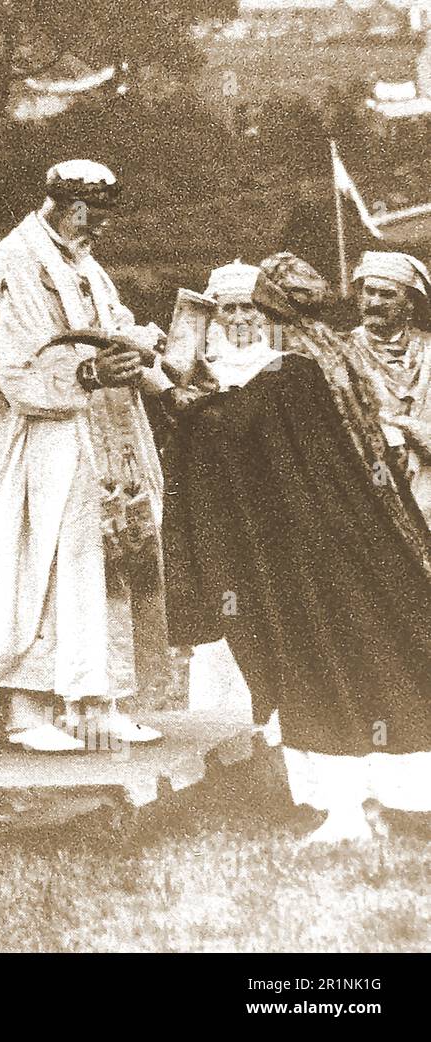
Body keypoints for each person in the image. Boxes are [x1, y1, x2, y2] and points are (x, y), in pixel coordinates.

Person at [163, 253, 431, 844]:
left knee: (325, 664)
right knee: (376, 659)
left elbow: (223, 435)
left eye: (258, 310)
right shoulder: (335, 361)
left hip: (316, 550)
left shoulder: (291, 374)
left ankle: (345, 809)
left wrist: (170, 394)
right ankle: (386, 797)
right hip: (359, 537)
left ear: (273, 312)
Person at [0, 159, 169, 753]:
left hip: (103, 437)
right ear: (73, 208)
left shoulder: (84, 264)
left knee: (107, 561)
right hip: (40, 440)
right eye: (98, 217)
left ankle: (98, 703)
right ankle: (26, 710)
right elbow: (14, 369)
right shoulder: (15, 266)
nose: (104, 229)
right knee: (46, 567)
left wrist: (142, 349)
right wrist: (89, 370)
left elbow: (112, 327)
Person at [345, 250, 431, 522]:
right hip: (377, 474)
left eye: (387, 295)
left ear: (410, 304)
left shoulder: (429, 349)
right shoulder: (342, 352)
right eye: (369, 292)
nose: (375, 302)